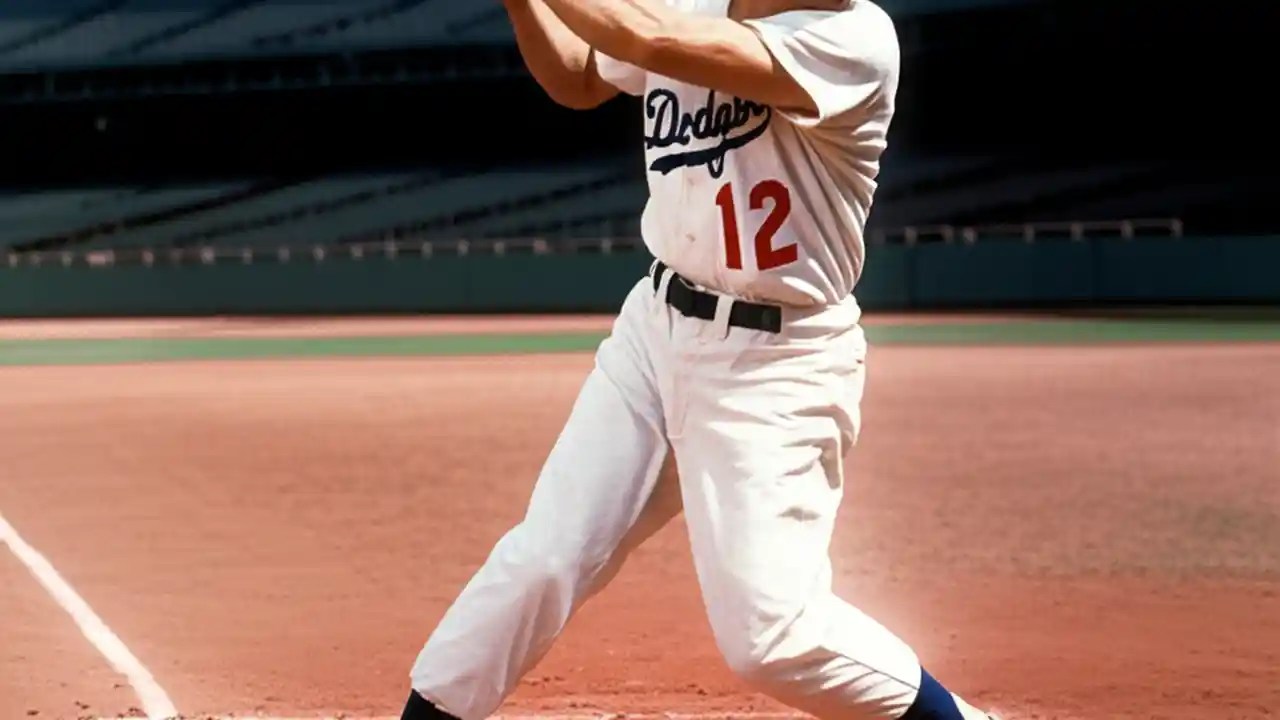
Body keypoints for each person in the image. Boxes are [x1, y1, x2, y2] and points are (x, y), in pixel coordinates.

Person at [402, 1, 999, 718]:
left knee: (773, 638)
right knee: (544, 556)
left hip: (777, 363)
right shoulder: (691, 3)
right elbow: (580, 78)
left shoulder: (851, 36)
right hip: (654, 331)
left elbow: (644, 36)